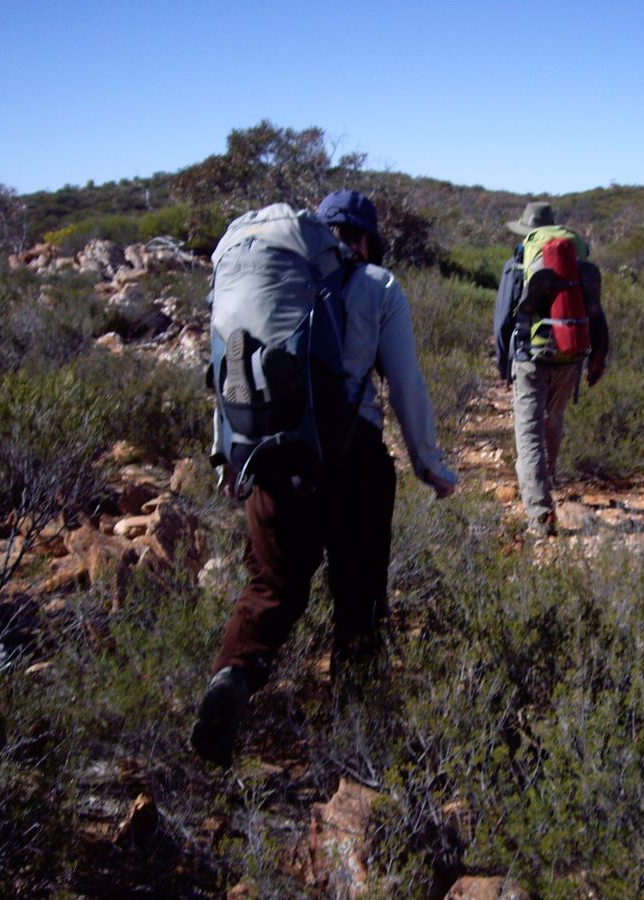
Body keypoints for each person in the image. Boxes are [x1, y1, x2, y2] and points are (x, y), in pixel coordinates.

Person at [191, 189, 457, 767]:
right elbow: (407, 383)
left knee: (272, 586)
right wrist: (429, 465)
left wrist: (228, 460)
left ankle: (232, 677)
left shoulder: (262, 281)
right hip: (352, 459)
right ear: (362, 239)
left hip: (266, 457)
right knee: (357, 594)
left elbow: (227, 368)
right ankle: (353, 731)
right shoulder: (376, 285)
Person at [494, 201, 608, 536]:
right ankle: (547, 479)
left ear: (528, 231)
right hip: (570, 354)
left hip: (530, 358)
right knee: (553, 418)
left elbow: (503, 319)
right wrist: (598, 356)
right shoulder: (576, 263)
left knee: (528, 433)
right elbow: (597, 314)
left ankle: (540, 515)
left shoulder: (517, 264)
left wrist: (504, 362)